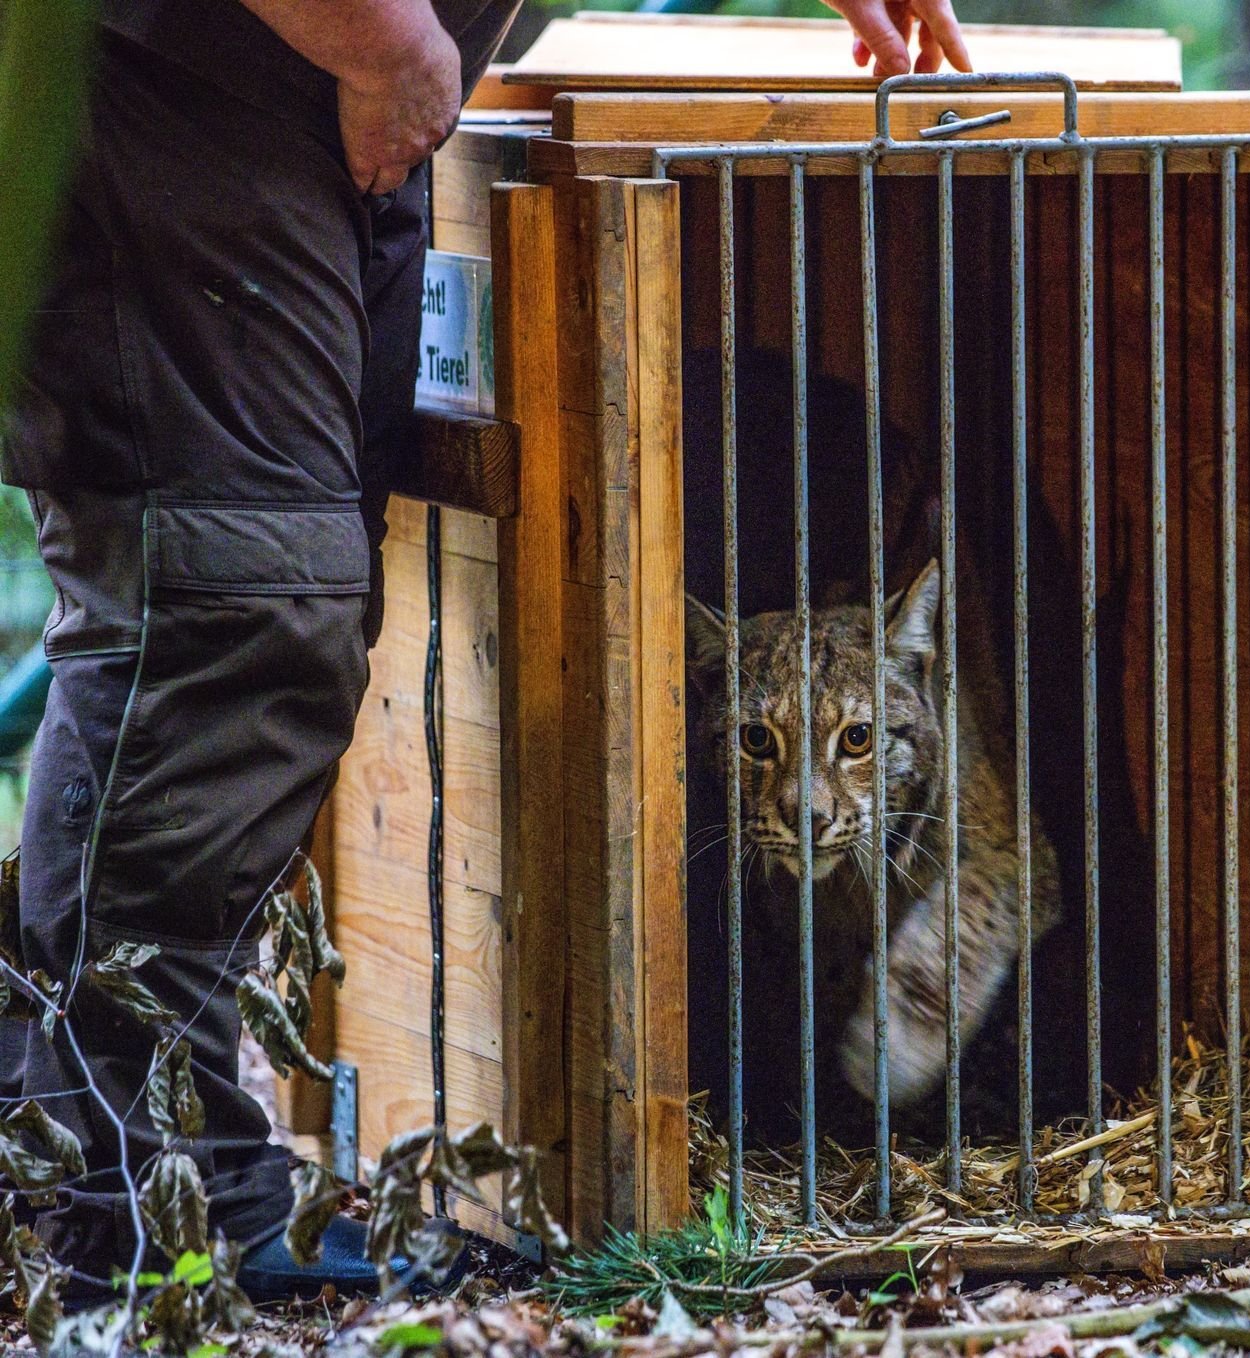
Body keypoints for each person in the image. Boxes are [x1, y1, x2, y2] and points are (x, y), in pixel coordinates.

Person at [2, 0, 967, 1300]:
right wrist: (380, 37)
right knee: (227, 600)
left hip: (306, 107)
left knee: (294, 608)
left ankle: (115, 1153)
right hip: (195, 81)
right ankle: (134, 1213)